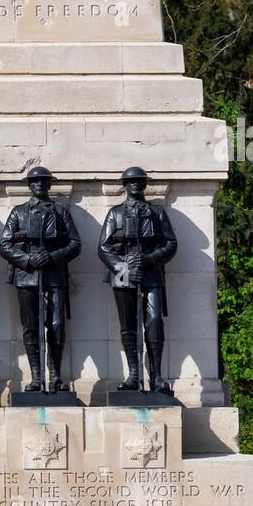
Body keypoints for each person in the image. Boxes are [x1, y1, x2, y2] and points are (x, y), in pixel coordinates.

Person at [0, 165, 81, 391]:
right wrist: (27, 259)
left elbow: (75, 244)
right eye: (35, 182)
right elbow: (4, 245)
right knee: (31, 327)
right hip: (26, 276)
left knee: (56, 325)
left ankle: (55, 375)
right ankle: (36, 377)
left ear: (49, 184)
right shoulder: (18, 212)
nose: (40, 185)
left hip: (54, 275)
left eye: (44, 181)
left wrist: (53, 257)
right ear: (29, 185)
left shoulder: (61, 211)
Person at [97, 166, 177, 393]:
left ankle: (157, 376)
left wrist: (150, 259)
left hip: (151, 271)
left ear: (144, 184)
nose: (135, 184)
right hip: (122, 271)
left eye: (139, 181)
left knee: (154, 321)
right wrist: (124, 267)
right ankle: (133, 374)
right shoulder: (116, 213)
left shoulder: (157, 212)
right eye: (130, 181)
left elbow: (171, 243)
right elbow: (103, 248)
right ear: (124, 185)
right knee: (128, 324)